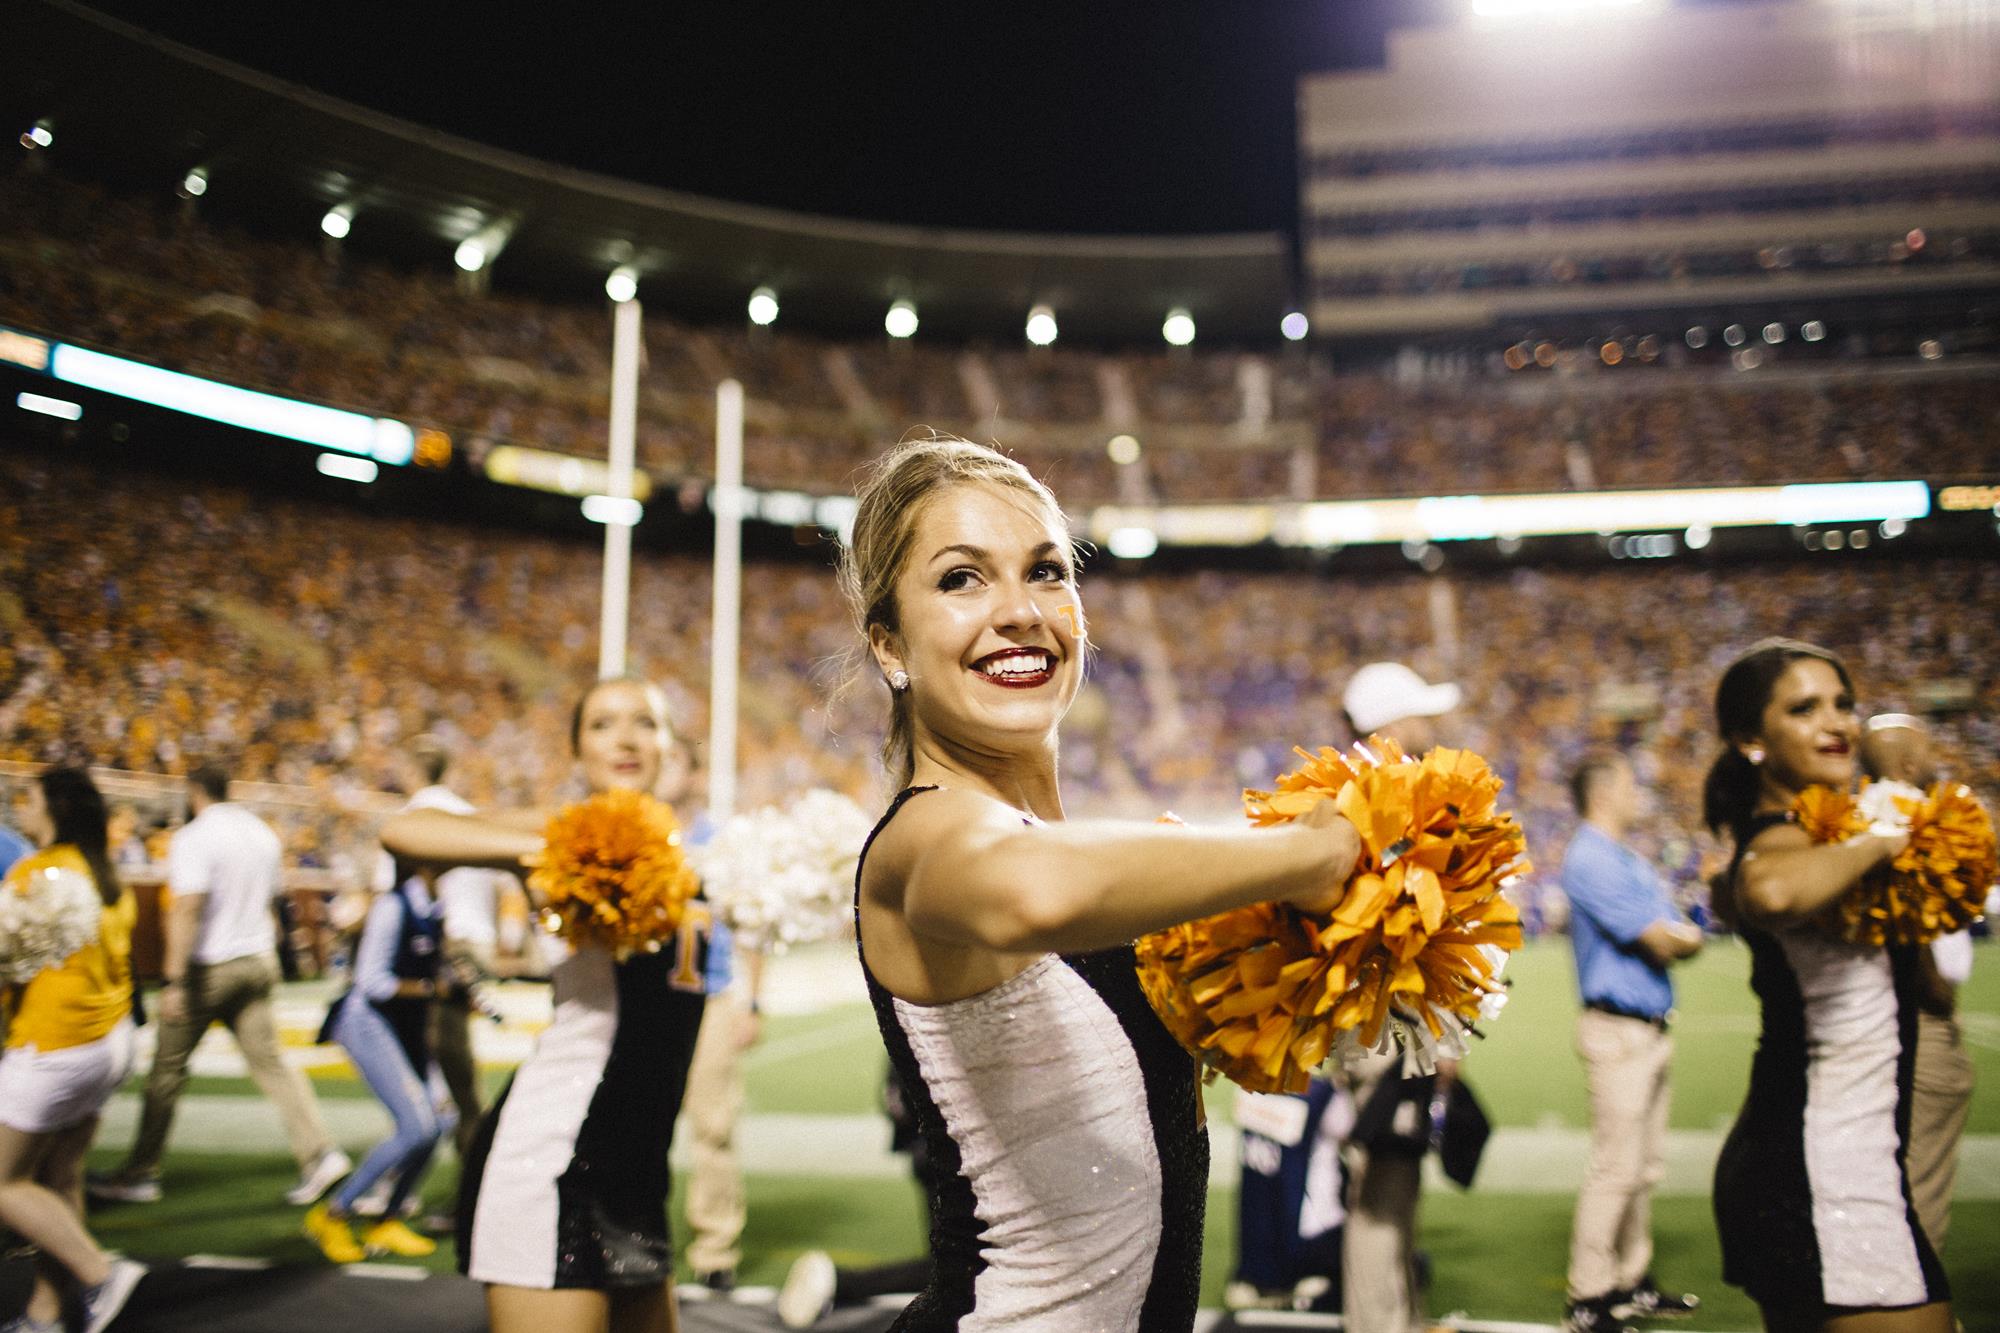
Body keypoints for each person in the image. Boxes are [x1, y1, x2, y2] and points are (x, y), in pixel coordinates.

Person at [836, 436, 1360, 1330]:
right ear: (890, 644)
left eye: (1046, 571)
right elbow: (1029, 892)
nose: (1018, 611)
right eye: (962, 579)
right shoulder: (923, 830)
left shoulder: (1066, 844)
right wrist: (1314, 854)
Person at [380, 677, 710, 1333]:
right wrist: (548, 849)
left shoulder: (688, 840)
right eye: (601, 724)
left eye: (643, 721)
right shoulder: (564, 831)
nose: (624, 737)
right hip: (556, 1157)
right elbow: (404, 828)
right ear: (576, 750)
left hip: (638, 1166)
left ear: (670, 743)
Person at [1704, 639, 1951, 1332]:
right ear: (1752, 739)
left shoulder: (1829, 836)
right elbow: (1771, 888)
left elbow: (1930, 994)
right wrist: (1885, 836)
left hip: (1835, 1157)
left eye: (1844, 703)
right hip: (1824, 1171)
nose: (1837, 722)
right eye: (1805, 708)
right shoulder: (1779, 837)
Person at [89, 763, 349, 1206]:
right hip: (258, 959)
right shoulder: (260, 833)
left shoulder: (195, 836)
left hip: (212, 967)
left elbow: (187, 909)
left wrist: (173, 980)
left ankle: (141, 1171)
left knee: (166, 1073)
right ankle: (319, 1153)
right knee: (272, 1065)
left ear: (194, 792)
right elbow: (272, 905)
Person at [1558, 751, 1703, 1333]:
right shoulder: (1589, 857)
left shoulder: (1623, 856)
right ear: (1603, 792)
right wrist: (1680, 937)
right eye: (1628, 782)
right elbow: (1664, 939)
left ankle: (1630, 1282)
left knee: (1643, 1167)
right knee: (1617, 1167)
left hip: (1648, 1026)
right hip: (1616, 1027)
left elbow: (1679, 929)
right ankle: (1588, 1298)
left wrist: (1680, 935)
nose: (1637, 791)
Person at [0, 768, 148, 1333]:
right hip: (107, 1043)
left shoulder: (40, 875)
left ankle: (100, 1273)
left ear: (56, 809)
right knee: (59, 1181)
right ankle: (49, 1315)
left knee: (7, 1182)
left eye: (30, 799)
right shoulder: (103, 873)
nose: (22, 808)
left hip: (55, 1045)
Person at [1336, 660, 1460, 1333]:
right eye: (1416, 712)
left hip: (1392, 1016)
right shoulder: (1372, 799)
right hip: (1384, 1020)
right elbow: (1394, 924)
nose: (1426, 725)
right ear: (1387, 721)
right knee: (1382, 1185)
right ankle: (1378, 1324)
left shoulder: (1373, 793)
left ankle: (1402, 1317)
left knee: (1397, 1177)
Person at [1858, 714, 1975, 1253]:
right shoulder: (1906, 820)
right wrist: (1932, 986)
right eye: (1928, 750)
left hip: (1878, 1021)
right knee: (1919, 1184)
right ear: (1906, 763)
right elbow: (1906, 916)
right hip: (1916, 1019)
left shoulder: (1858, 816)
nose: (1937, 760)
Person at [301, 864, 456, 1264]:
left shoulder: (433, 907)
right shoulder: (393, 905)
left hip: (403, 1026)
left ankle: (386, 1218)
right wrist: (429, 988)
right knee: (417, 1127)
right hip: (369, 1022)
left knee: (443, 1120)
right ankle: (334, 1213)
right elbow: (373, 982)